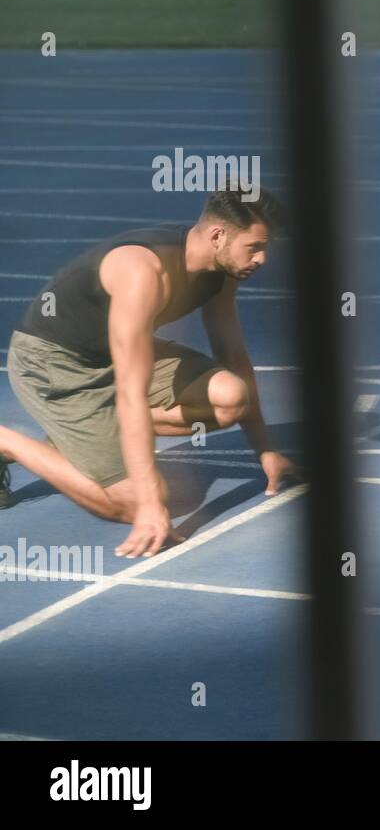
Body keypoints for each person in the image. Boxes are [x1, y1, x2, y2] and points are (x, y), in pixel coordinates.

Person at [0, 187, 298, 558]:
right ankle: (7, 442)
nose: (262, 258)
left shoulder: (222, 268)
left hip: (113, 352)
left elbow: (231, 352)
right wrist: (149, 504)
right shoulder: (143, 271)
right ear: (218, 236)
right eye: (255, 247)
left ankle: (85, 433)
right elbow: (131, 391)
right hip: (53, 362)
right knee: (136, 503)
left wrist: (265, 450)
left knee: (231, 397)